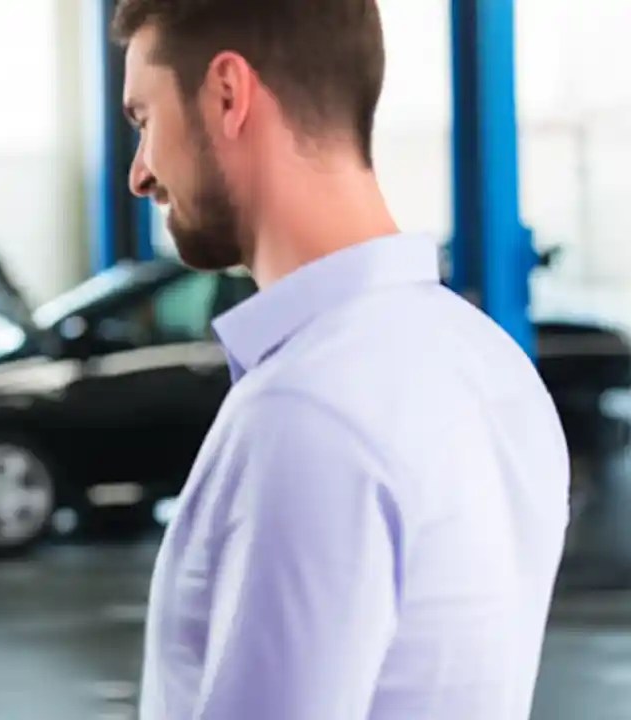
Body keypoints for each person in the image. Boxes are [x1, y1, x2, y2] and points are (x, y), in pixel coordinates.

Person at [112, 1, 569, 719]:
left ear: (227, 94)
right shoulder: (492, 366)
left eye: (145, 119)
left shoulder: (305, 409)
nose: (141, 173)